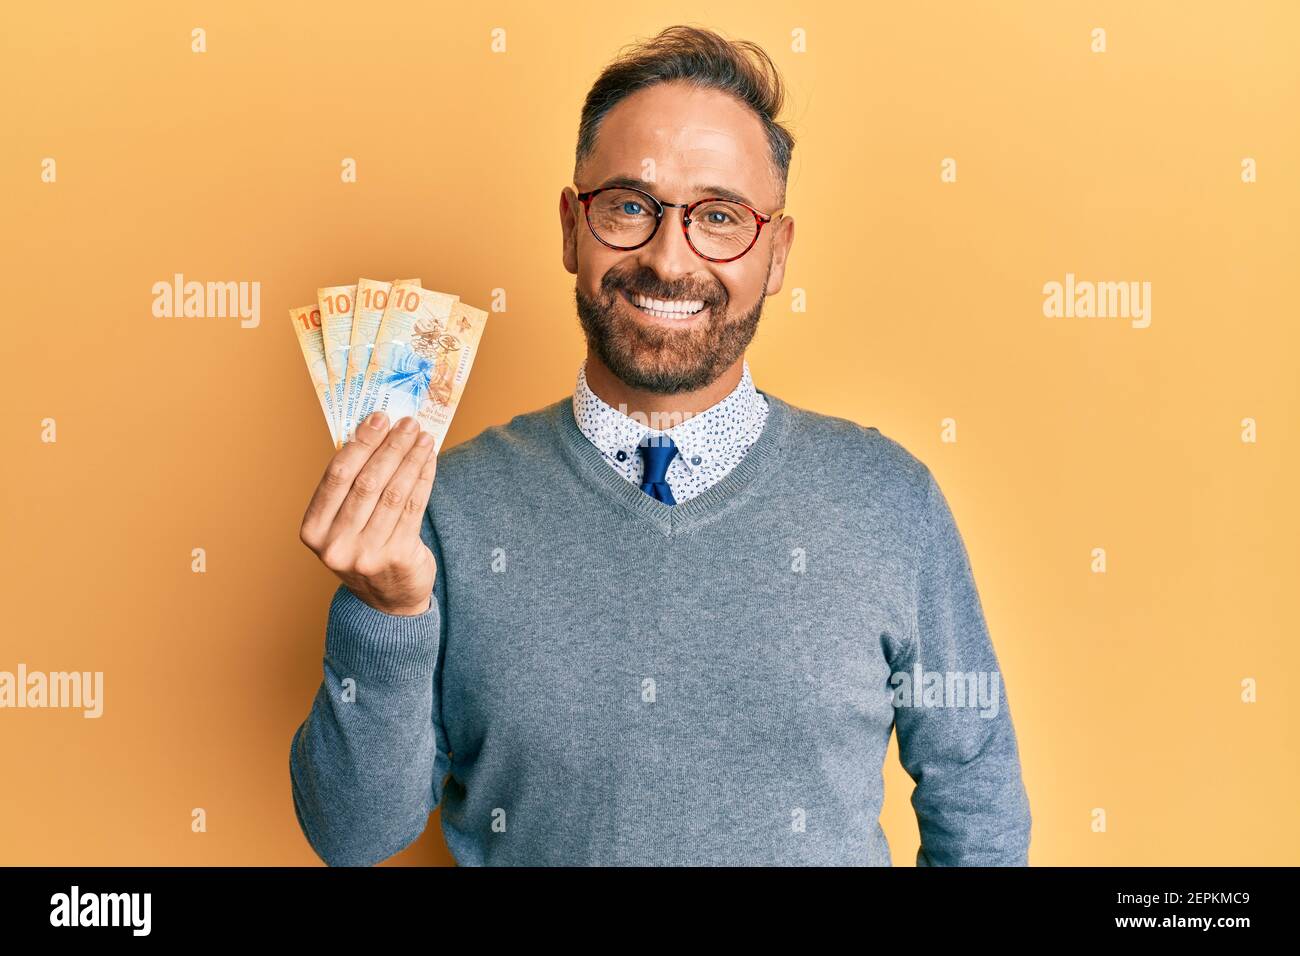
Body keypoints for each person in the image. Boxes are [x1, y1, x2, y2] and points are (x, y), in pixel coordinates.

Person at [289, 24, 1031, 866]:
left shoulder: (888, 501)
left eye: (720, 217)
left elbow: (980, 806)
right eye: (630, 207)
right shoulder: (440, 513)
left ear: (777, 252)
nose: (670, 258)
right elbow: (352, 835)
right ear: (572, 227)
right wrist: (382, 614)